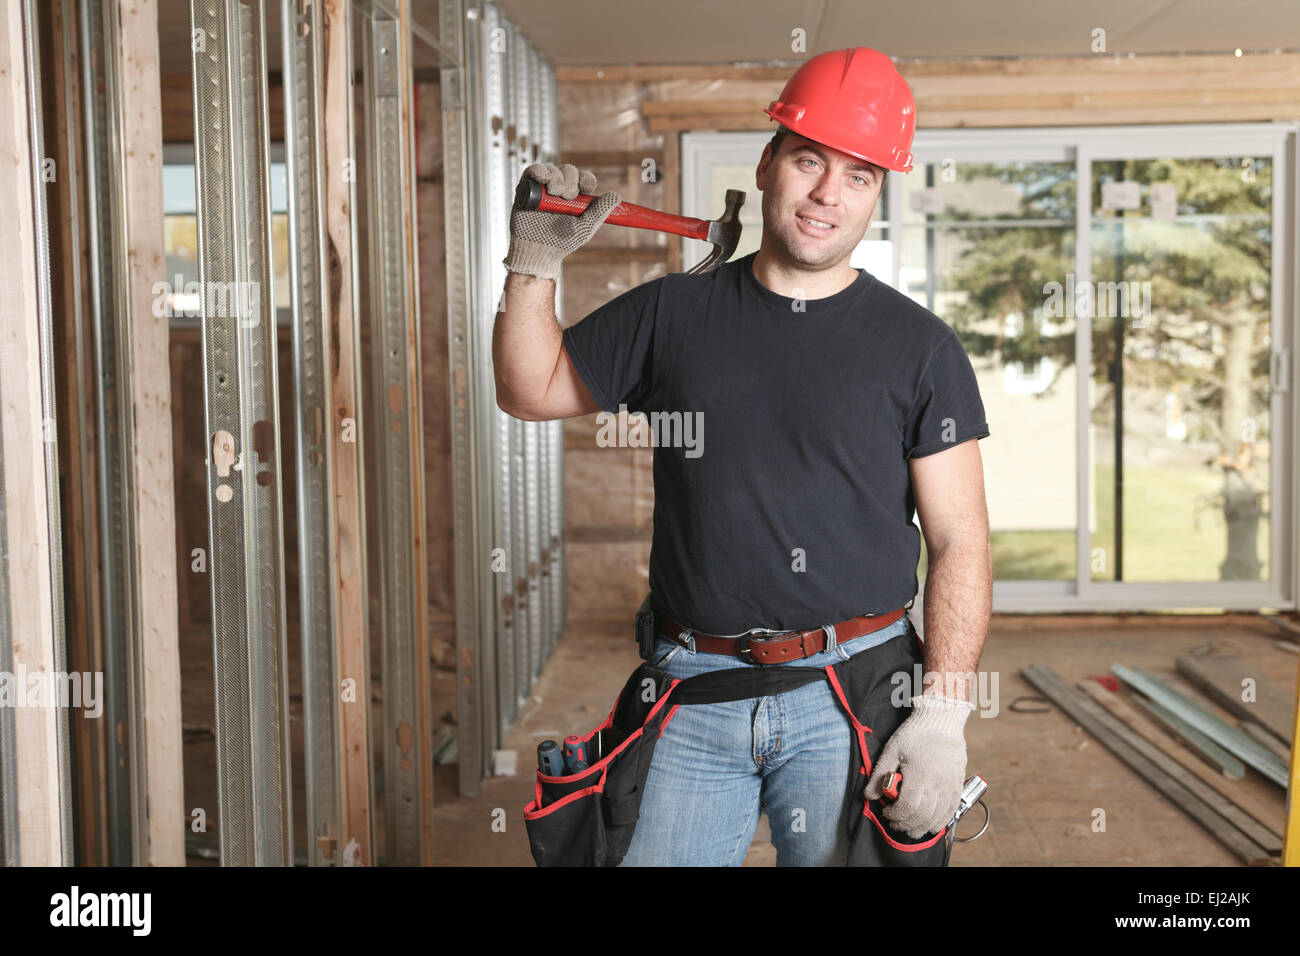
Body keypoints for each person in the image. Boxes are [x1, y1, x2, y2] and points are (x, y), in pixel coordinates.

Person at [494, 47, 992, 866]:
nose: (830, 193)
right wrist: (535, 263)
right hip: (694, 687)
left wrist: (942, 715)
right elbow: (530, 389)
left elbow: (960, 541)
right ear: (766, 166)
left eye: (860, 175)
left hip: (852, 690)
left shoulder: (921, 349)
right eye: (809, 160)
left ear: (878, 195)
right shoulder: (674, 313)